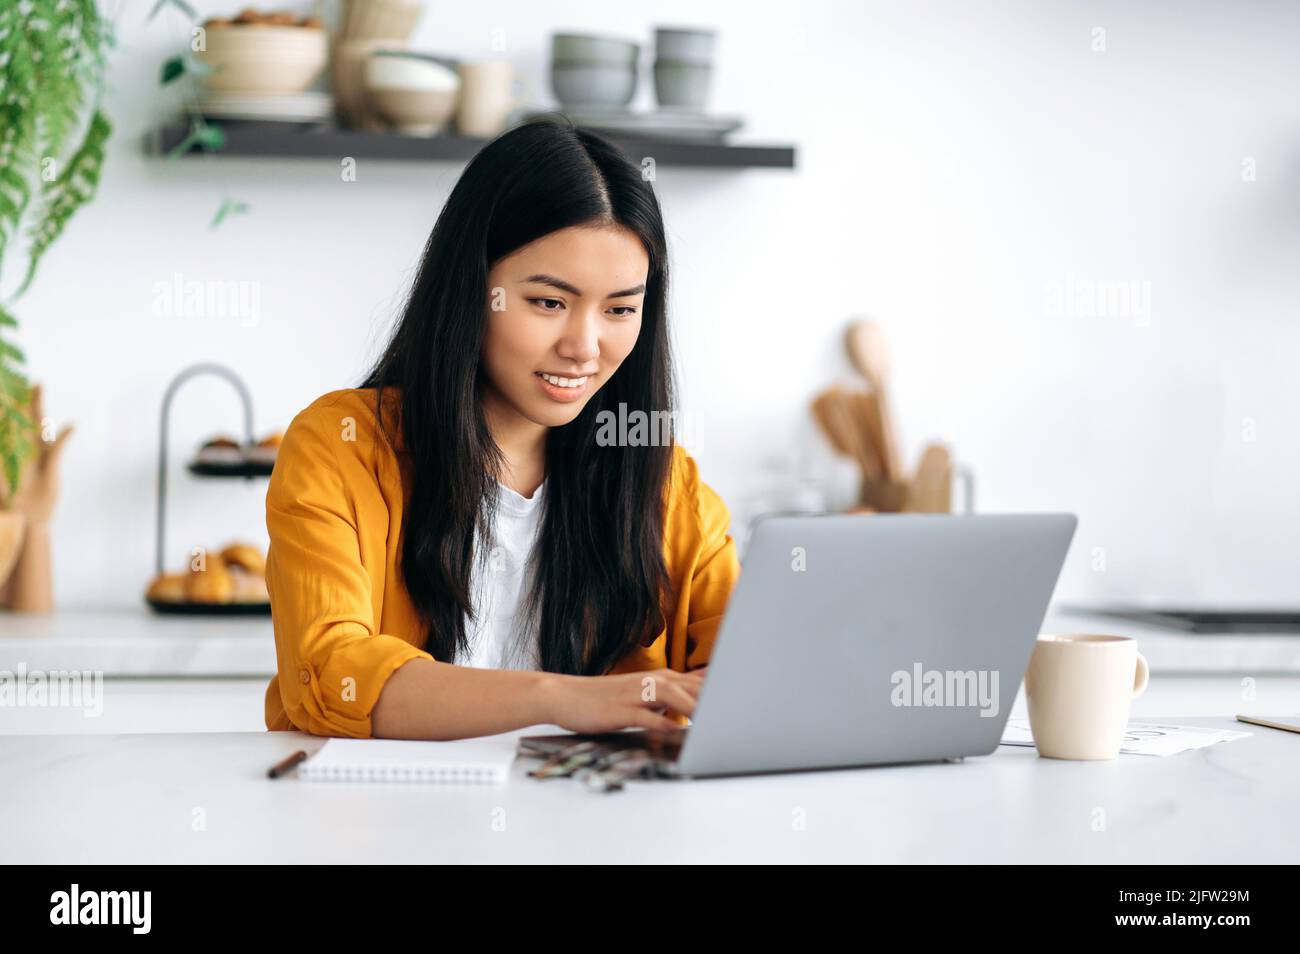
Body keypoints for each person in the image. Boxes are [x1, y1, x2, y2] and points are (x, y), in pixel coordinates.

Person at [263, 119, 740, 740]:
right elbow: (329, 675)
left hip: (605, 829)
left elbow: (747, 679)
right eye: (549, 303)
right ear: (471, 287)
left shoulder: (666, 483)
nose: (584, 347)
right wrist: (559, 698)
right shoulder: (341, 449)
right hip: (380, 825)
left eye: (621, 309)